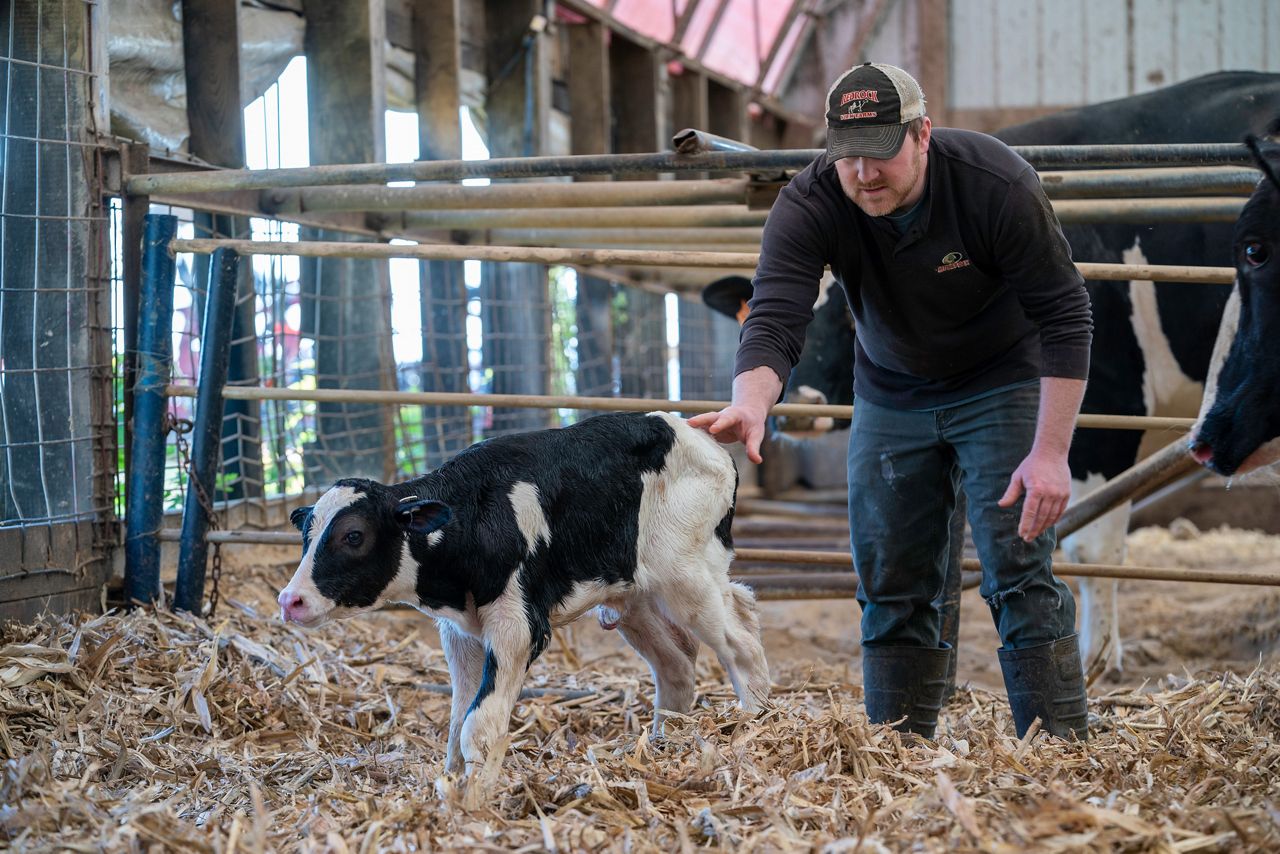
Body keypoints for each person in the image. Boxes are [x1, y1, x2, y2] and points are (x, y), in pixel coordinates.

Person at [689, 62, 1092, 741]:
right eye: (847, 156)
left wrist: (1050, 452)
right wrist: (751, 404)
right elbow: (776, 314)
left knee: (1017, 565)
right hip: (892, 389)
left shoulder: (994, 184)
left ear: (922, 134)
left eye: (880, 153)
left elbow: (1066, 313)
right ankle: (898, 752)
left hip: (1001, 382)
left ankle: (1060, 746)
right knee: (890, 575)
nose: (864, 174)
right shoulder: (812, 200)